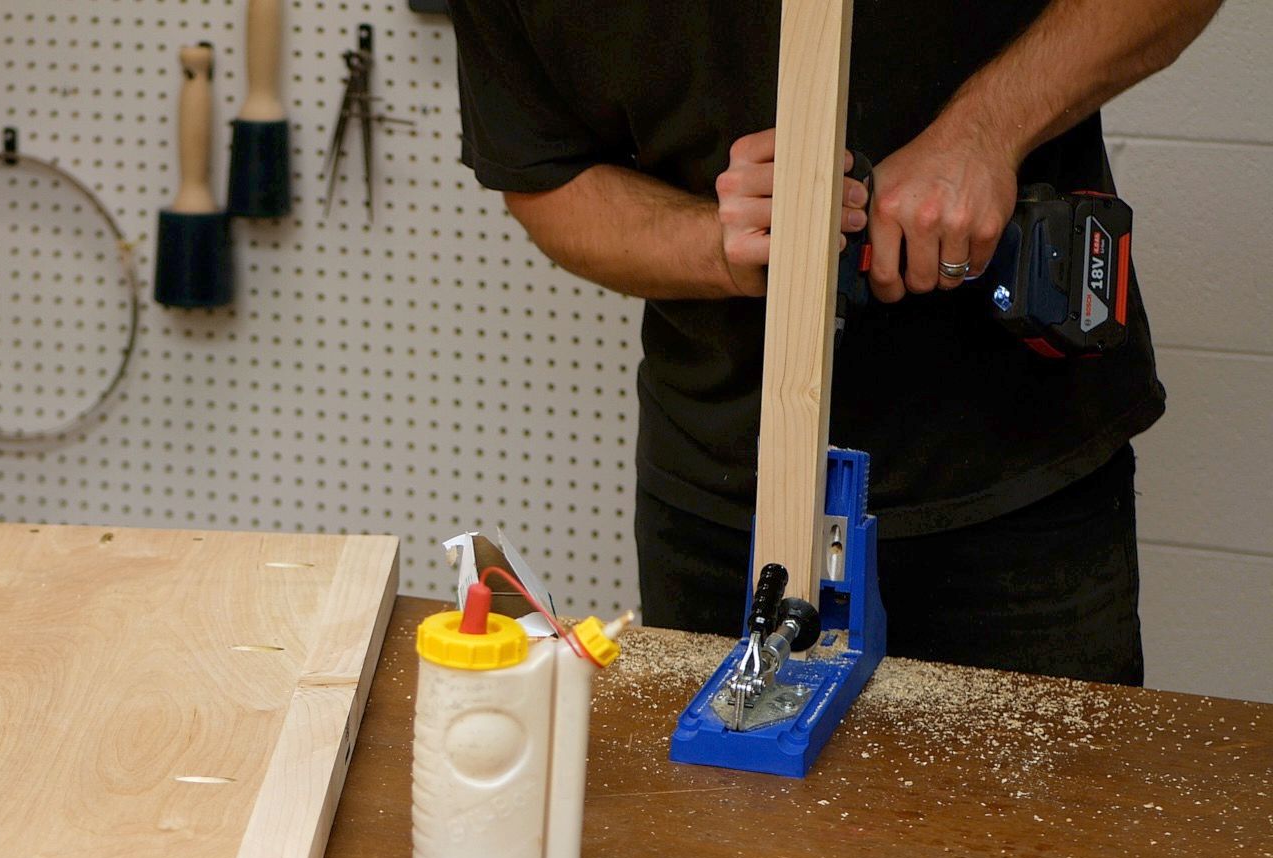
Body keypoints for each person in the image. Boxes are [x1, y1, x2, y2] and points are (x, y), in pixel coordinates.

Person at [447, 0, 1223, 685]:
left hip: (1015, 481)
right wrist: (723, 247)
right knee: (730, 829)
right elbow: (546, 178)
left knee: (1047, 837)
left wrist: (982, 132)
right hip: (722, 491)